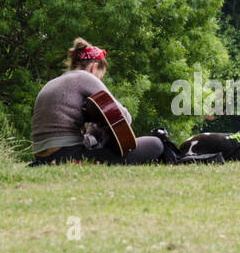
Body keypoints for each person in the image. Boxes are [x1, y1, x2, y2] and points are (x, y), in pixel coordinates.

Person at [31, 38, 172, 165]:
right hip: (68, 156)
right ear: (93, 67)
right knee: (155, 144)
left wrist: (94, 130)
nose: (99, 81)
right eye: (100, 77)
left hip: (42, 157)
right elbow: (125, 117)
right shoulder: (84, 77)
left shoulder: (53, 82)